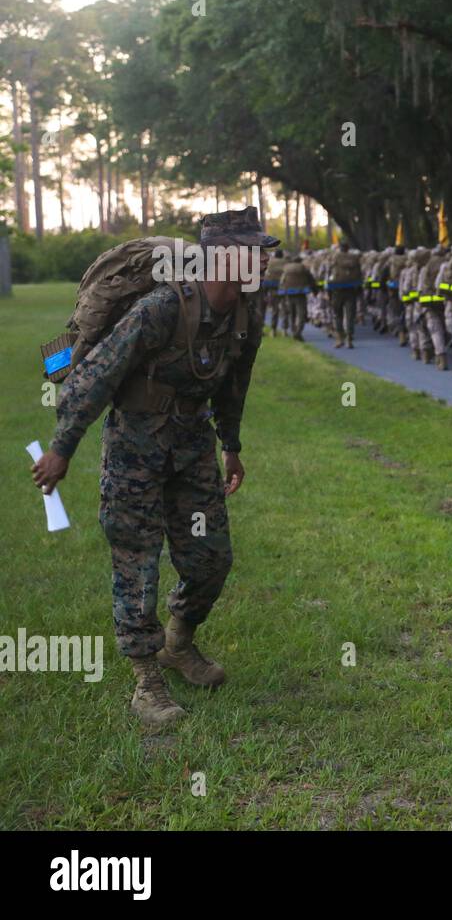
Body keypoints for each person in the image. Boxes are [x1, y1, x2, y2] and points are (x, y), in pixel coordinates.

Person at [30, 207, 277, 727]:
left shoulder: (246, 315)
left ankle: (178, 644)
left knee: (212, 559)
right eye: (254, 250)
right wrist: (62, 447)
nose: (262, 259)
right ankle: (146, 682)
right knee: (136, 560)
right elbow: (96, 374)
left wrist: (230, 445)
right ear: (223, 257)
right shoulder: (163, 308)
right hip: (135, 444)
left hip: (192, 446)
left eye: (262, 250)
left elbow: (235, 384)